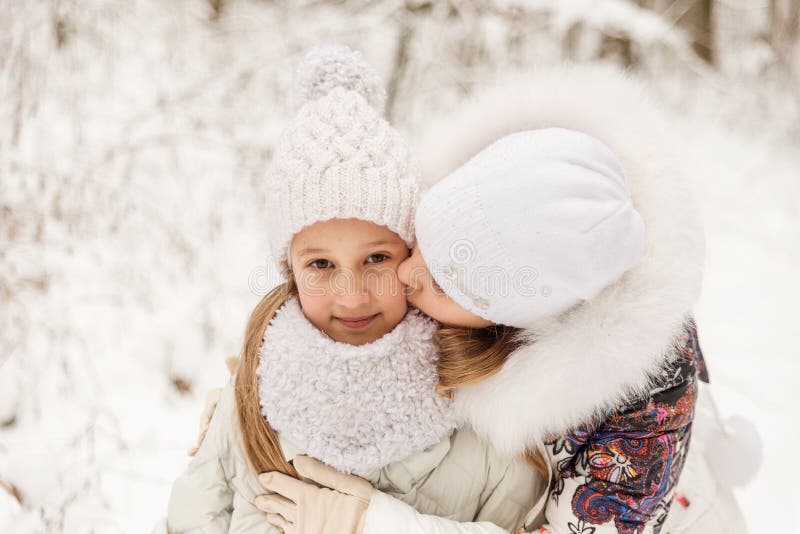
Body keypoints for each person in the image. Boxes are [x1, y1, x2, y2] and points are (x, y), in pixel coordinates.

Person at [255, 64, 747, 534]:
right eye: (425, 239)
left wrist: (370, 525)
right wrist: (266, 383)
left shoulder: (639, 421)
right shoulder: (492, 221)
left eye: (445, 283)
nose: (405, 273)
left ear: (522, 315)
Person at [154, 44, 546, 534]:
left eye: (377, 258)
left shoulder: (488, 405)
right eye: (320, 264)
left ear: (414, 254)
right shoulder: (250, 401)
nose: (353, 295)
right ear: (290, 270)